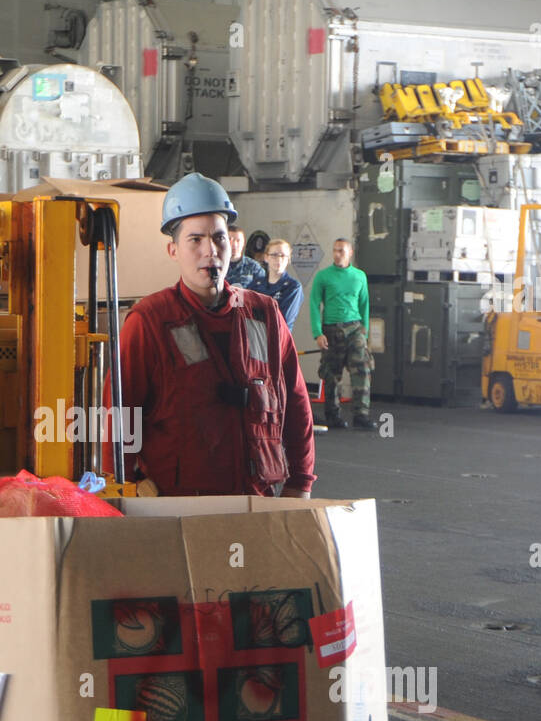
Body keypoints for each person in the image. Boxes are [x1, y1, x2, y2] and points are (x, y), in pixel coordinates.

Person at [104, 172, 315, 498]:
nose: (210, 250)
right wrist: (126, 489)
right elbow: (118, 414)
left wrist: (300, 482)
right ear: (173, 250)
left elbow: (297, 402)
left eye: (219, 238)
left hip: (254, 500)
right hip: (177, 507)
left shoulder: (264, 314)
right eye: (195, 239)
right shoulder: (150, 322)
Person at [309, 237, 373, 430]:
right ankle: (333, 415)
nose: (337, 254)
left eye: (341, 251)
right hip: (331, 328)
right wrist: (317, 333)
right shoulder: (323, 276)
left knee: (362, 369)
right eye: (335, 250)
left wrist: (365, 330)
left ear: (350, 253)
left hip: (354, 328)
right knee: (331, 374)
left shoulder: (359, 276)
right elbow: (314, 304)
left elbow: (364, 303)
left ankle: (361, 415)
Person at [248, 237, 303, 330]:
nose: (278, 259)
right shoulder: (255, 285)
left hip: (278, 338)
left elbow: (283, 319)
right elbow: (247, 314)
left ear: (288, 259)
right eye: (274, 255)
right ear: (266, 257)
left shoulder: (293, 287)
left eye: (283, 255)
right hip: (255, 337)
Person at [225, 224, 263, 289]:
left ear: (244, 243)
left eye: (238, 240)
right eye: (229, 240)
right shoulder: (216, 265)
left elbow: (263, 292)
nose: (234, 244)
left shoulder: (254, 267)